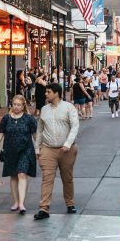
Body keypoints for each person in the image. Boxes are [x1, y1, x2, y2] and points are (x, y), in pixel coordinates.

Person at [33, 82, 80, 220]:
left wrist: (67, 143)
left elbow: (75, 126)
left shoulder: (68, 108)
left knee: (67, 177)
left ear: (56, 93)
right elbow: (40, 130)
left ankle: (70, 203)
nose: (45, 94)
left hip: (67, 150)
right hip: (48, 149)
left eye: (48, 92)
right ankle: (44, 208)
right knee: (47, 178)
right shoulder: (44, 109)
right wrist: (37, 148)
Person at [0, 95, 38, 215]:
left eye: (18, 105)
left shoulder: (29, 119)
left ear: (23, 106)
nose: (16, 107)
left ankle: (21, 203)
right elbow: (0, 133)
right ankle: (16, 202)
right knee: (13, 176)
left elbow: (35, 134)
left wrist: (38, 147)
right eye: (14, 104)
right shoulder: (6, 118)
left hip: (25, 150)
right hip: (10, 150)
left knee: (22, 174)